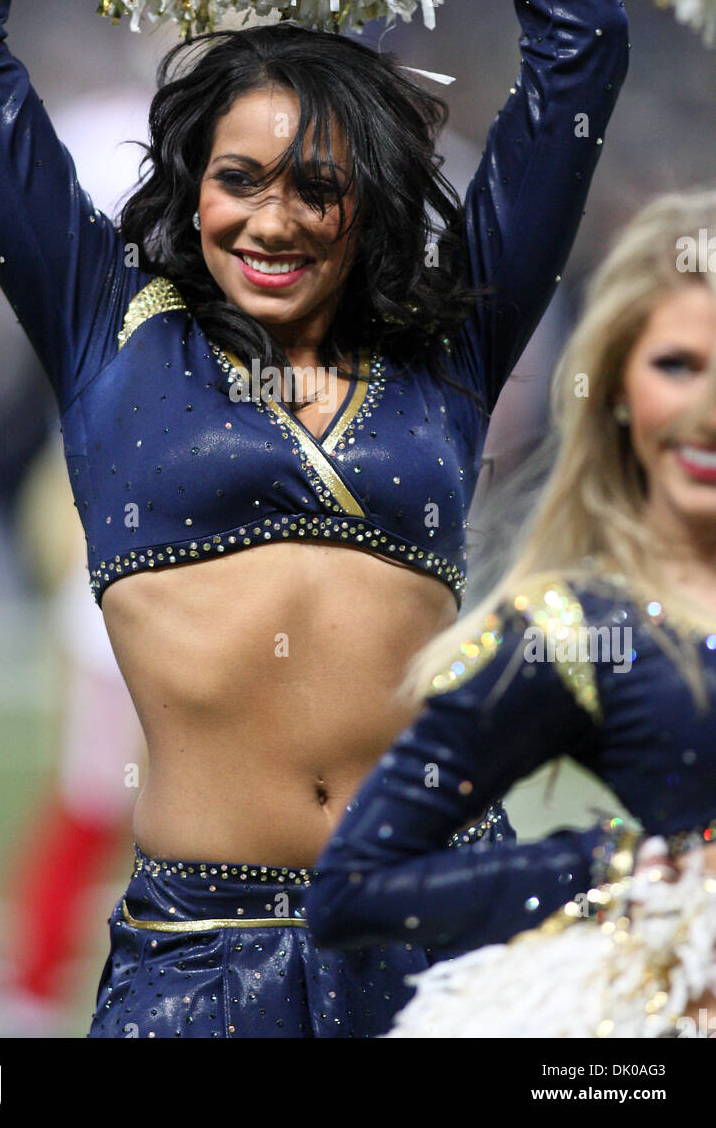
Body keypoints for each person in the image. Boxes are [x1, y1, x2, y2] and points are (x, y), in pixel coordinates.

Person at [0, 0, 628, 1036]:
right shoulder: (103, 326)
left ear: (370, 208)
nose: (271, 219)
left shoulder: (447, 343)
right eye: (239, 178)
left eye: (318, 187)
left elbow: (581, 53)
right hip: (201, 960)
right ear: (191, 188)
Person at [306, 189, 716, 1038]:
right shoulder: (575, 627)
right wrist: (616, 871)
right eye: (678, 365)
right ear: (613, 391)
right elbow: (354, 890)